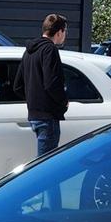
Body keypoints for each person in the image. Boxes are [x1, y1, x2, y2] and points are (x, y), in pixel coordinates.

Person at [15, 13, 69, 157]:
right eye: (65, 31)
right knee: (46, 167)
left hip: (34, 114)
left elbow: (18, 86)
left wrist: (34, 99)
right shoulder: (50, 50)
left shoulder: (29, 52)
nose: (65, 36)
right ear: (59, 32)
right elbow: (52, 83)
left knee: (42, 164)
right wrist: (64, 102)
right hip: (48, 117)